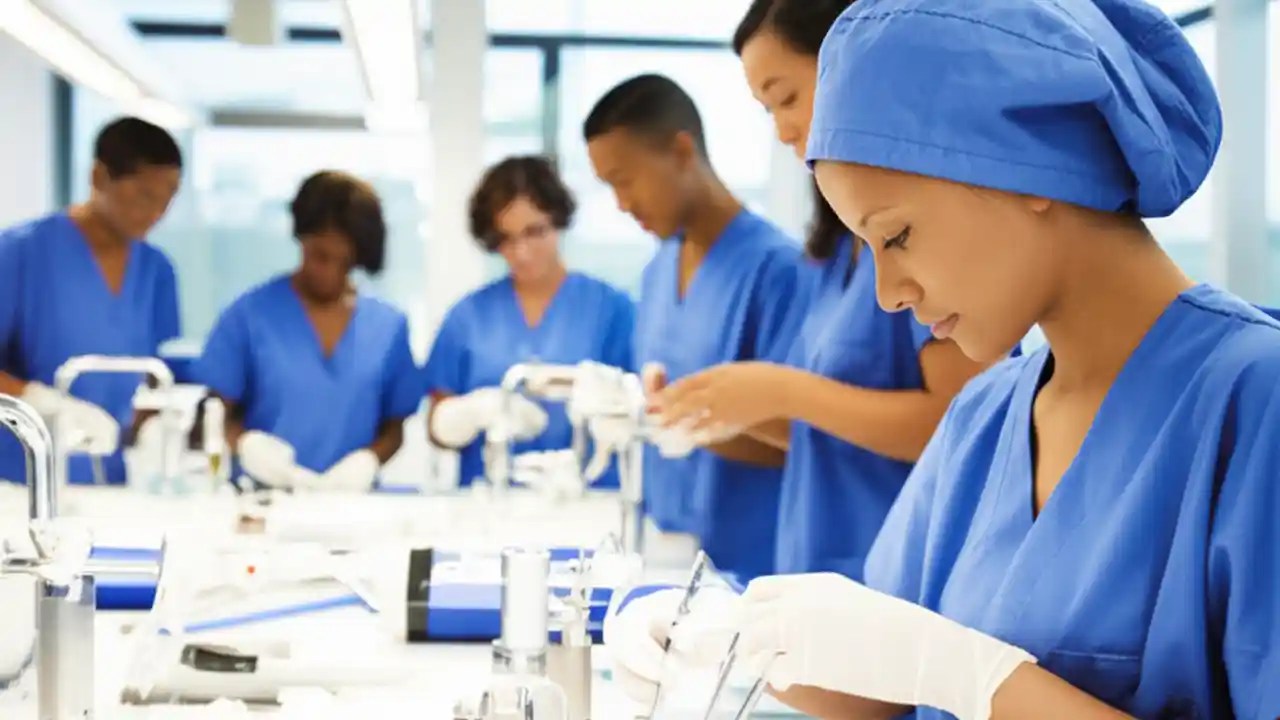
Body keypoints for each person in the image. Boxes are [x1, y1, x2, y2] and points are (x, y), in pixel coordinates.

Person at [610, 0, 1280, 718]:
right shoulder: (985, 418)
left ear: (1031, 169)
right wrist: (730, 634)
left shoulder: (1253, 401)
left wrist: (979, 679)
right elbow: (877, 684)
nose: (888, 294)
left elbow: (937, 668)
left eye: (895, 237)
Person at [649, 0, 989, 581]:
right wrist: (722, 404)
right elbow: (823, 436)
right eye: (766, 110)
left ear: (853, 68)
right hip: (817, 575)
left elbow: (965, 426)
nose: (781, 129)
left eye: (787, 98)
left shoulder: (925, 234)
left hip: (898, 581)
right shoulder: (838, 255)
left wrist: (785, 389)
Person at [584, 74, 811, 582]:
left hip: (753, 565)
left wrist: (684, 425)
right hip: (662, 553)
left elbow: (806, 438)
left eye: (625, 180)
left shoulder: (779, 272)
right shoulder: (658, 270)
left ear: (680, 151)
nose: (621, 203)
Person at [196, 170, 420, 492]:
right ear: (301, 237)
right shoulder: (249, 316)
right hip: (262, 500)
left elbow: (394, 426)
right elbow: (216, 414)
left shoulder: (387, 328)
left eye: (344, 262)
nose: (328, 272)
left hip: (351, 503)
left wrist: (368, 461)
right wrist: (246, 445)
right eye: (319, 256)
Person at [424, 155, 635, 489]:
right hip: (490, 509)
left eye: (534, 232)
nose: (521, 251)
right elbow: (437, 431)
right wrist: (471, 412)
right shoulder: (468, 318)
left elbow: (637, 412)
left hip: (587, 506)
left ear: (559, 220)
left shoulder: (612, 311)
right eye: (506, 239)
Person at [0, 116, 182, 486]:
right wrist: (41, 402)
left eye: (167, 200)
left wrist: (157, 426)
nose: (156, 213)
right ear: (99, 177)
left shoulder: (156, 270)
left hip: (114, 480)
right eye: (146, 196)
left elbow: (152, 371)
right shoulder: (20, 254)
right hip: (23, 479)